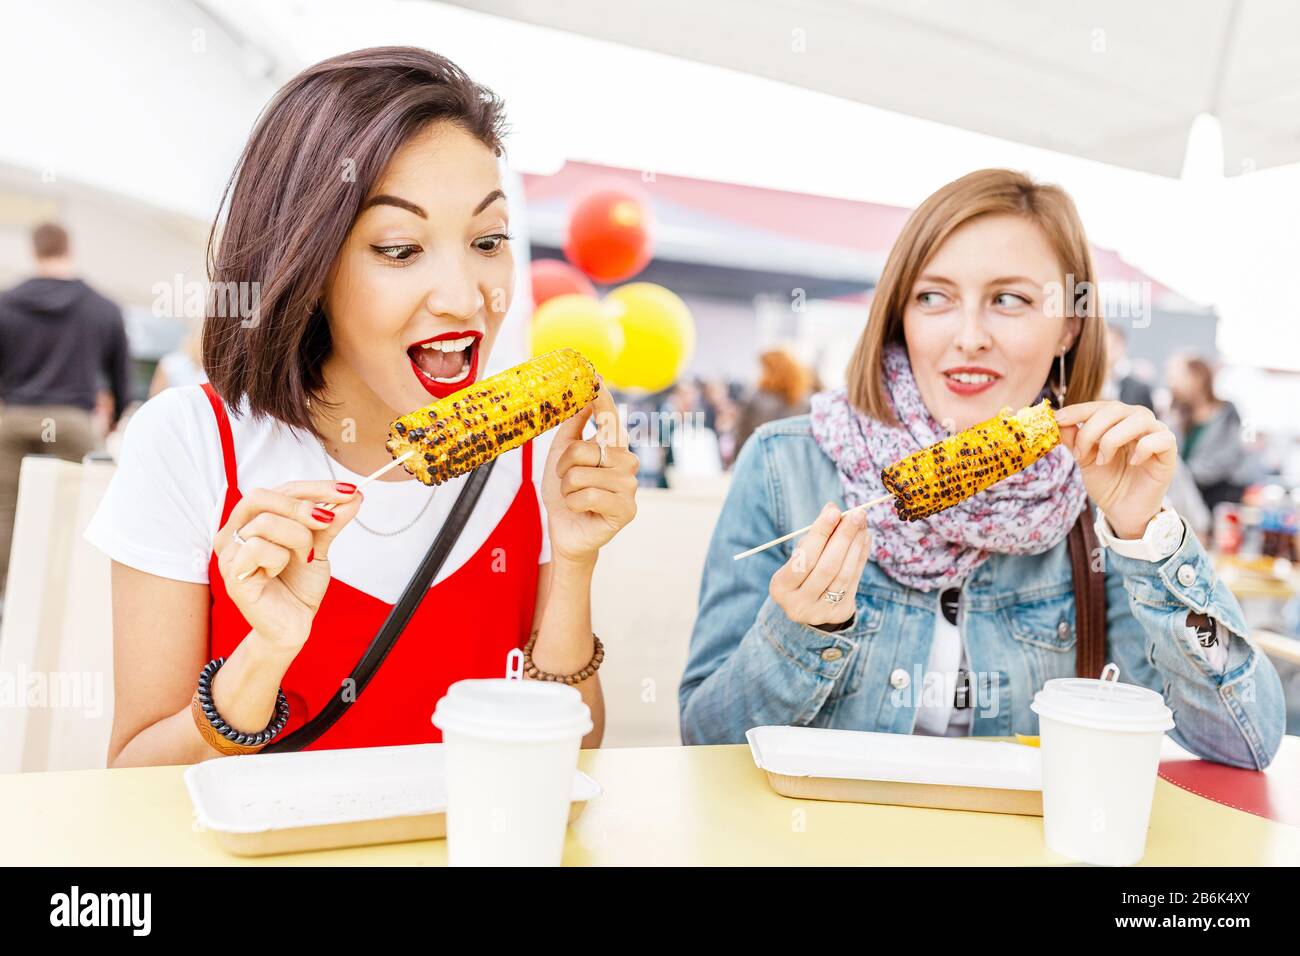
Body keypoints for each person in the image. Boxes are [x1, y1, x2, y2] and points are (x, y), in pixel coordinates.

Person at [85, 47, 638, 767]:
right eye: (402, 248)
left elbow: (573, 748)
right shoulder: (192, 440)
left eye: (489, 241)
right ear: (307, 264)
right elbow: (132, 776)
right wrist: (266, 654)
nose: (466, 297)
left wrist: (572, 565)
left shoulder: (538, 458)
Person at [679, 169, 1284, 769]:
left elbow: (1244, 742)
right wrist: (799, 634)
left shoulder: (1119, 473)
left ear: (1069, 326)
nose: (968, 337)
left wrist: (1146, 541)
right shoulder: (786, 462)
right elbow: (705, 743)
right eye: (933, 297)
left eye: (1009, 300)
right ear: (901, 317)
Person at [0, 222, 131, 605]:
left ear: (35, 250)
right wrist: (116, 415)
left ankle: (9, 599)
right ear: (68, 248)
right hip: (72, 422)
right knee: (85, 510)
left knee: (6, 511)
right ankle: (72, 594)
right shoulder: (101, 308)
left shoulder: (6, 303)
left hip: (15, 418)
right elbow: (121, 374)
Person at [1164, 353, 1253, 512]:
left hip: (1219, 500)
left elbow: (1226, 459)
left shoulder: (1227, 413)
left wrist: (1182, 475)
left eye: (1176, 377)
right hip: (1187, 502)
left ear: (1197, 377)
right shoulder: (1178, 416)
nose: (1172, 384)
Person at [734, 346, 813, 453]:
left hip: (761, 458)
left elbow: (743, 435)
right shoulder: (804, 400)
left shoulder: (756, 398)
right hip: (793, 460)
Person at [1103, 323, 1154, 410]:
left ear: (1123, 347)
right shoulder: (1088, 381)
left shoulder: (1139, 388)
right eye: (1103, 347)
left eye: (1113, 346)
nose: (1108, 352)